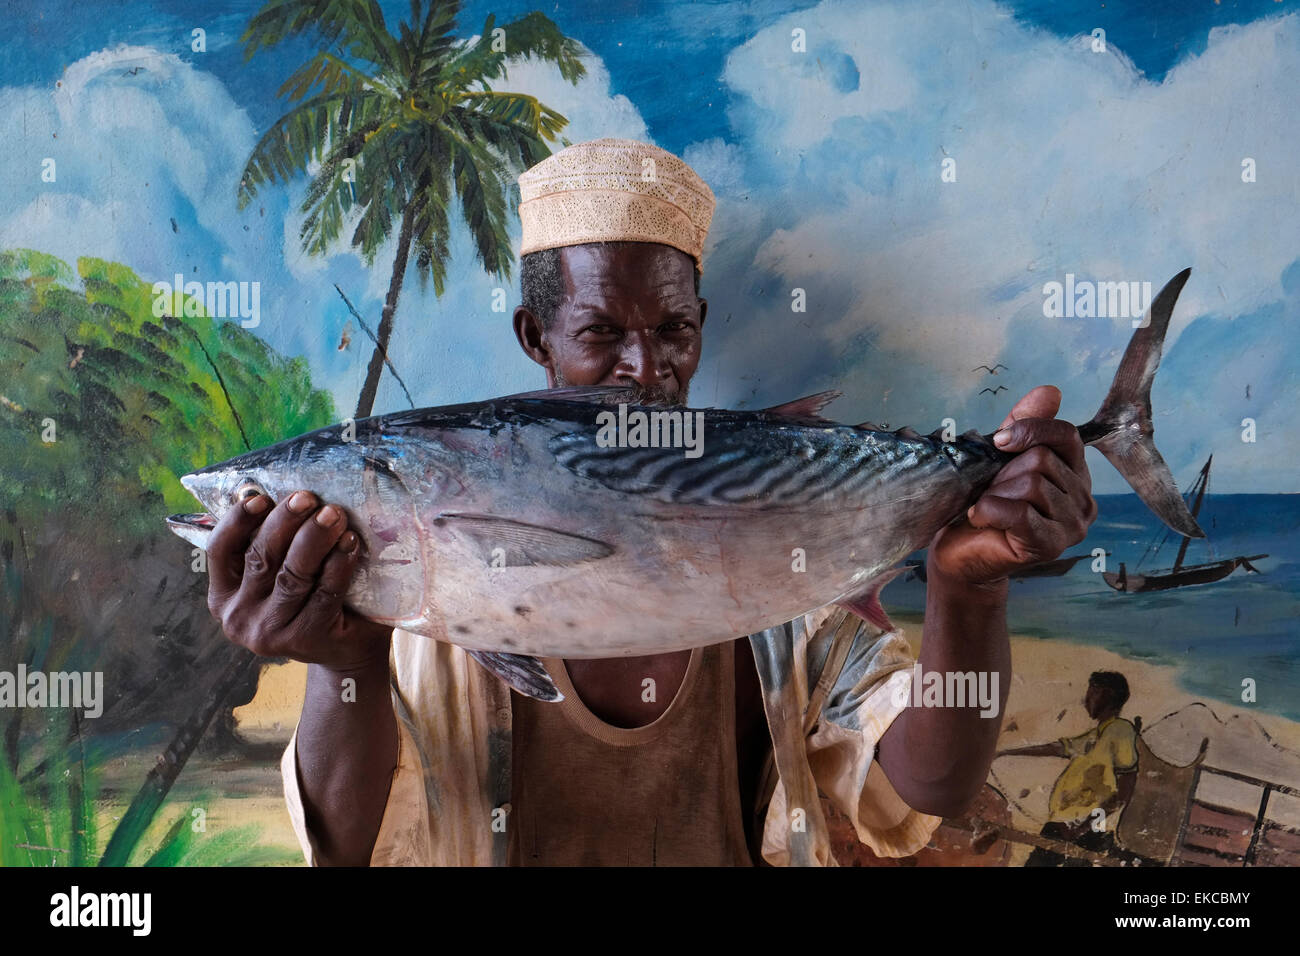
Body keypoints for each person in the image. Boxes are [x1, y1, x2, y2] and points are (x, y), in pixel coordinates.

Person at [202, 138, 1098, 866]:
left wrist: (970, 589)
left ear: (700, 327)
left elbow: (927, 786)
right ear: (535, 336)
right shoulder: (429, 627)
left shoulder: (785, 566)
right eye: (600, 333)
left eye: (671, 330)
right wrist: (346, 662)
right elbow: (345, 847)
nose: (644, 368)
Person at [1001, 670, 1139, 866]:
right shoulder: (1096, 735)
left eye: (1093, 692)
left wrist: (1082, 827)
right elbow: (1057, 748)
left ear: (1108, 695)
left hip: (1084, 828)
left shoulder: (1120, 730)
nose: (1086, 699)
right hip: (1065, 825)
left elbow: (1125, 788)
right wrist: (1006, 753)